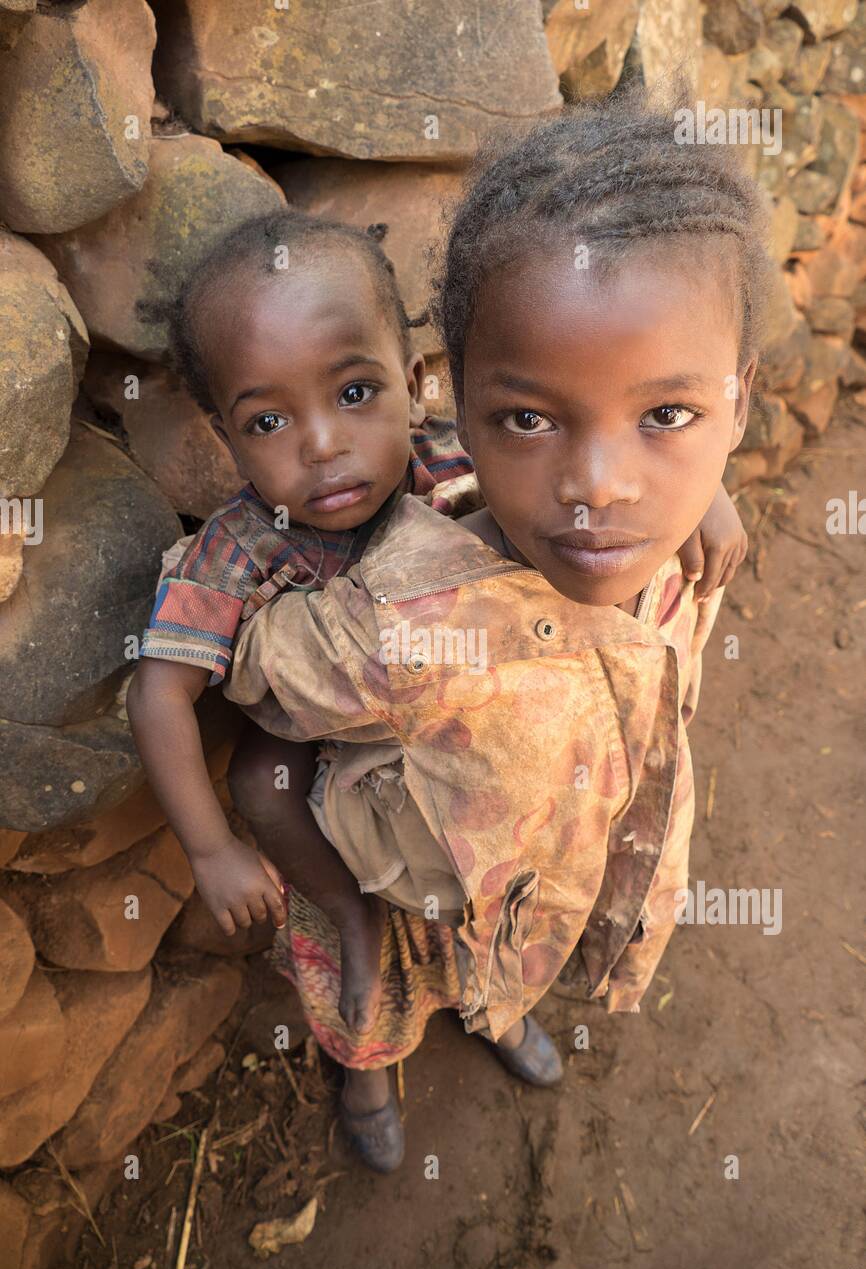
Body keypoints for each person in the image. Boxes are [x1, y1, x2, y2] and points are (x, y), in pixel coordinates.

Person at [220, 84, 770, 1172]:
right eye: (528, 418)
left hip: (548, 861)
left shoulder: (686, 547)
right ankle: (366, 1072)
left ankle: (499, 1013)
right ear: (456, 408)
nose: (600, 487)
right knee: (378, 991)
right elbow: (259, 697)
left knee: (509, 959)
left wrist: (707, 492)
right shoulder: (406, 619)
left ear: (736, 405)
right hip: (410, 888)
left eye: (665, 415)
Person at [126, 197, 745, 1076]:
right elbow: (158, 690)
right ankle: (360, 997)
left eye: (354, 393)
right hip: (338, 759)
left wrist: (705, 495)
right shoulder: (237, 547)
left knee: (492, 904)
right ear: (225, 436)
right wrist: (210, 848)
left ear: (415, 382)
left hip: (466, 751)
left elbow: (588, 458)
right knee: (262, 783)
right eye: (268, 422)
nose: (323, 445)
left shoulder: (457, 459)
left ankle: (498, 1012)